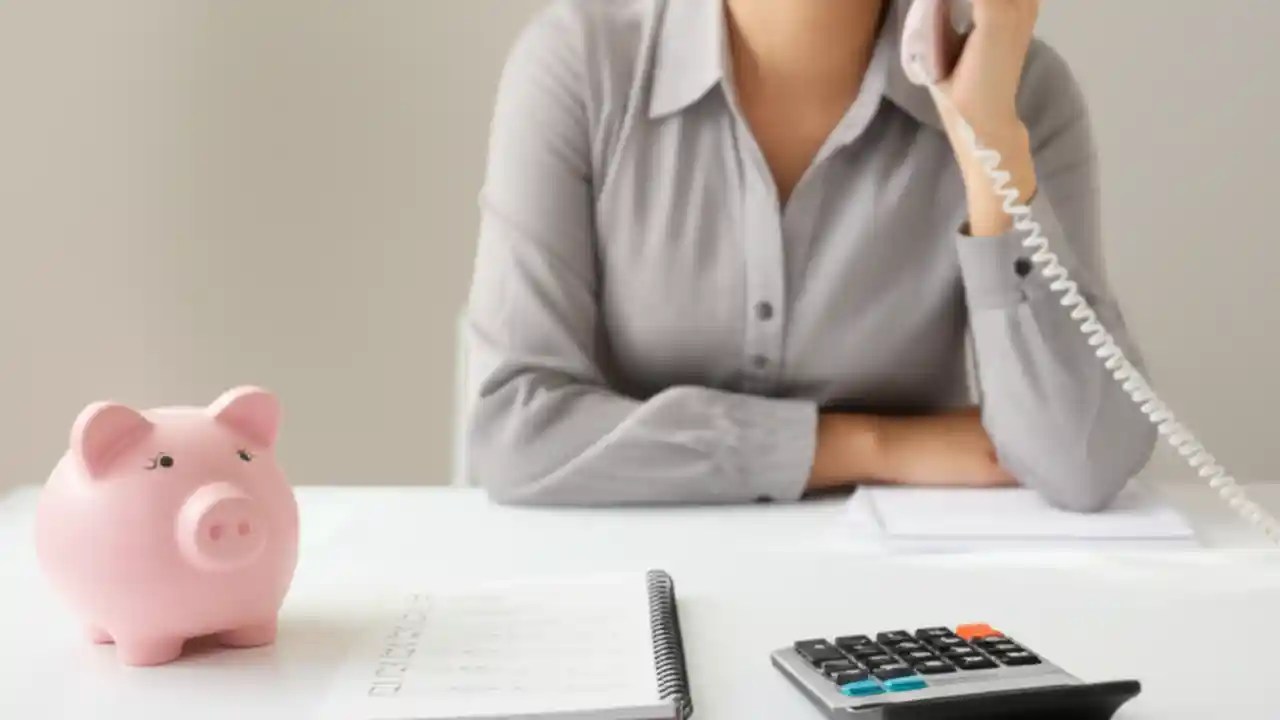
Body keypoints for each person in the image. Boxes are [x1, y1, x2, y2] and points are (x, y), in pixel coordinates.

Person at [464, 0, 1156, 510]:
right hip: (626, 579)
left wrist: (988, 147)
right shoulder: (581, 67)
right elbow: (516, 432)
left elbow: (1081, 460)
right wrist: (876, 447)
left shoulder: (1017, 92)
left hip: (897, 601)